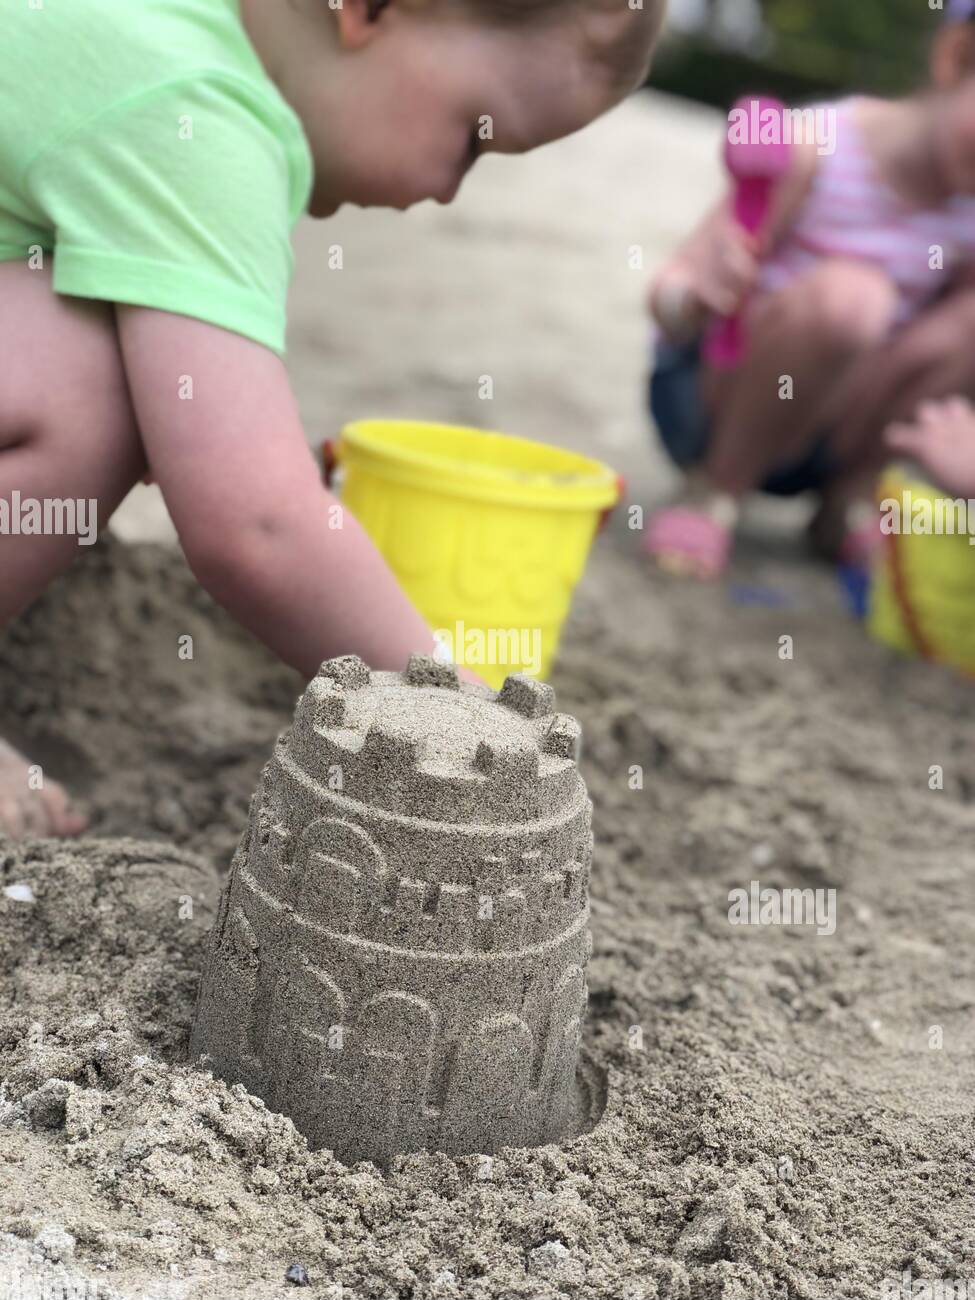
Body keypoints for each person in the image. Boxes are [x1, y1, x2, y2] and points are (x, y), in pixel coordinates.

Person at [0, 0, 662, 838]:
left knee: (155, 373)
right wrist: (464, 719)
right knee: (95, 383)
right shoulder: (200, 113)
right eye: (474, 140)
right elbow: (259, 529)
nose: (447, 191)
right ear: (369, 11)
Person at [645, 3, 975, 579]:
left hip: (835, 427)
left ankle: (850, 499)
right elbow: (668, 295)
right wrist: (699, 294)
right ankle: (715, 489)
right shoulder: (813, 143)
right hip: (713, 400)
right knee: (854, 300)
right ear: (957, 58)